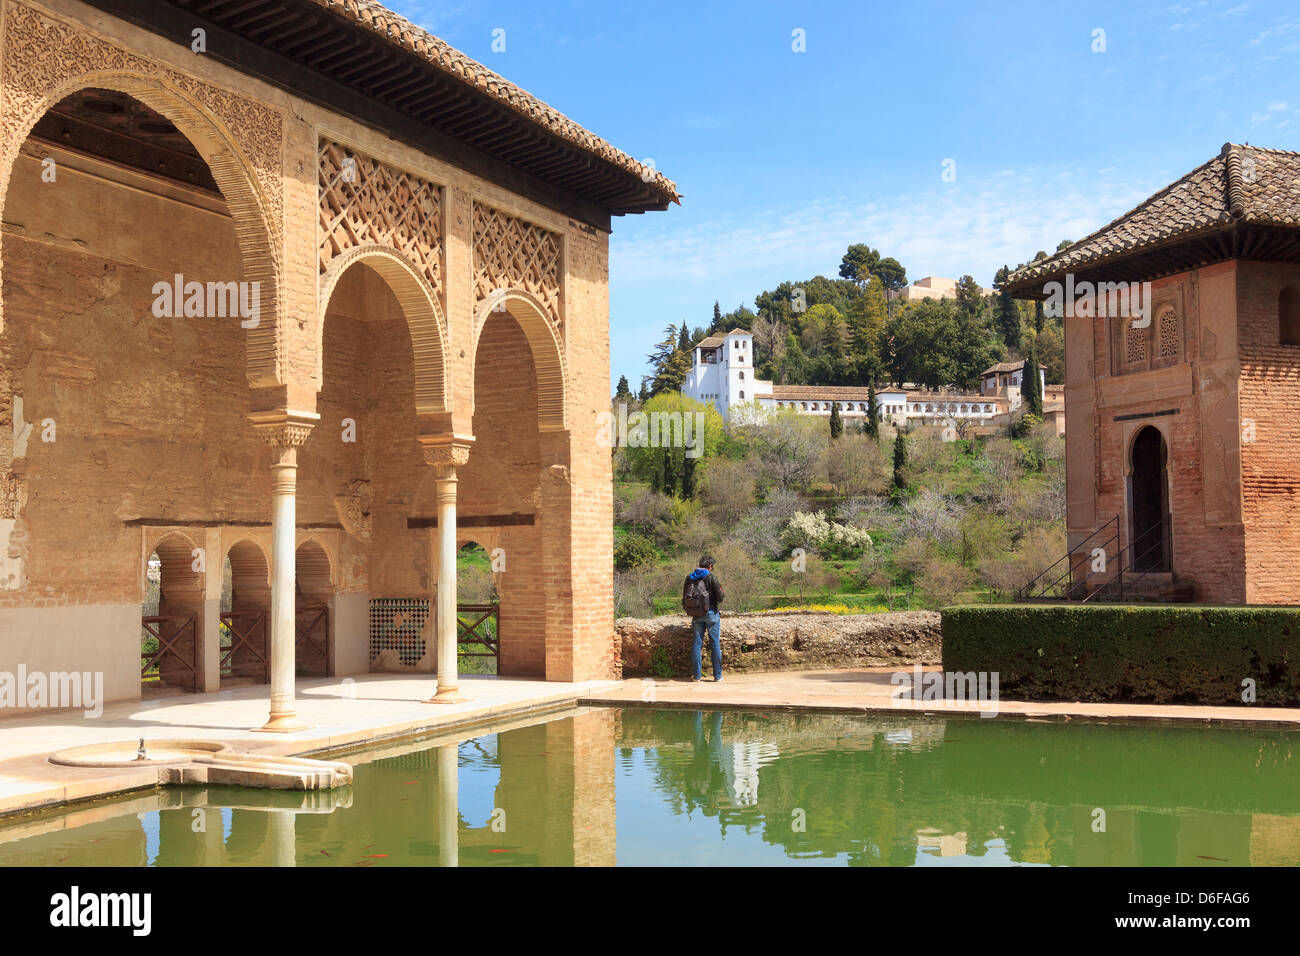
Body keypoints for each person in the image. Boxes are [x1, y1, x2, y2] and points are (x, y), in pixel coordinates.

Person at [682, 554, 724, 682]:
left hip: (696, 614)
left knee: (696, 644)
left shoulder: (690, 578)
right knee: (714, 644)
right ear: (710, 566)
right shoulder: (712, 578)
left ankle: (697, 676)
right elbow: (720, 598)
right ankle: (717, 676)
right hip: (711, 614)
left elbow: (684, 596)